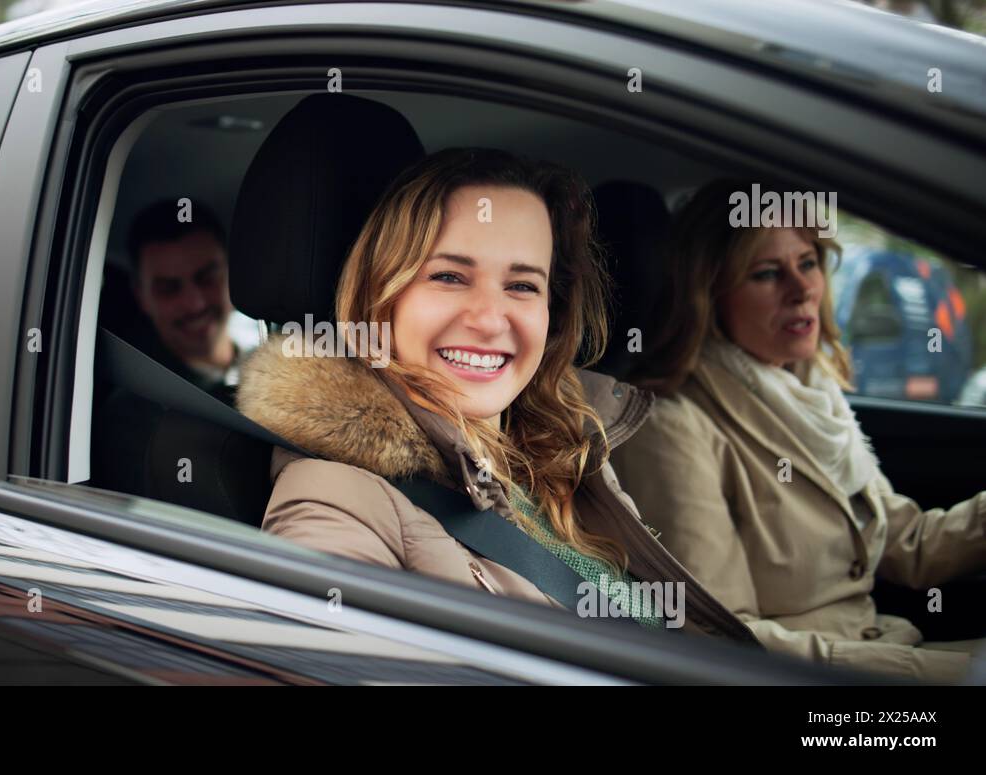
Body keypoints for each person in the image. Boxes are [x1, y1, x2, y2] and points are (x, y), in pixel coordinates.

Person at [236, 148, 755, 640]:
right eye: (448, 276)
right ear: (378, 299)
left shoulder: (563, 451)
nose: (488, 319)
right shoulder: (336, 494)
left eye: (523, 285)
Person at [612, 178, 986, 682]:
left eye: (808, 263)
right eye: (767, 274)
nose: (802, 288)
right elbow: (723, 634)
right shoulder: (673, 426)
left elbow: (910, 546)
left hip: (884, 648)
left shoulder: (811, 391)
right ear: (709, 295)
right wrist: (940, 671)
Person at [124, 200, 244, 402]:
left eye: (208, 278)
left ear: (232, 273)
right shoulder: (142, 405)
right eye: (167, 289)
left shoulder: (289, 349)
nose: (195, 304)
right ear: (142, 298)